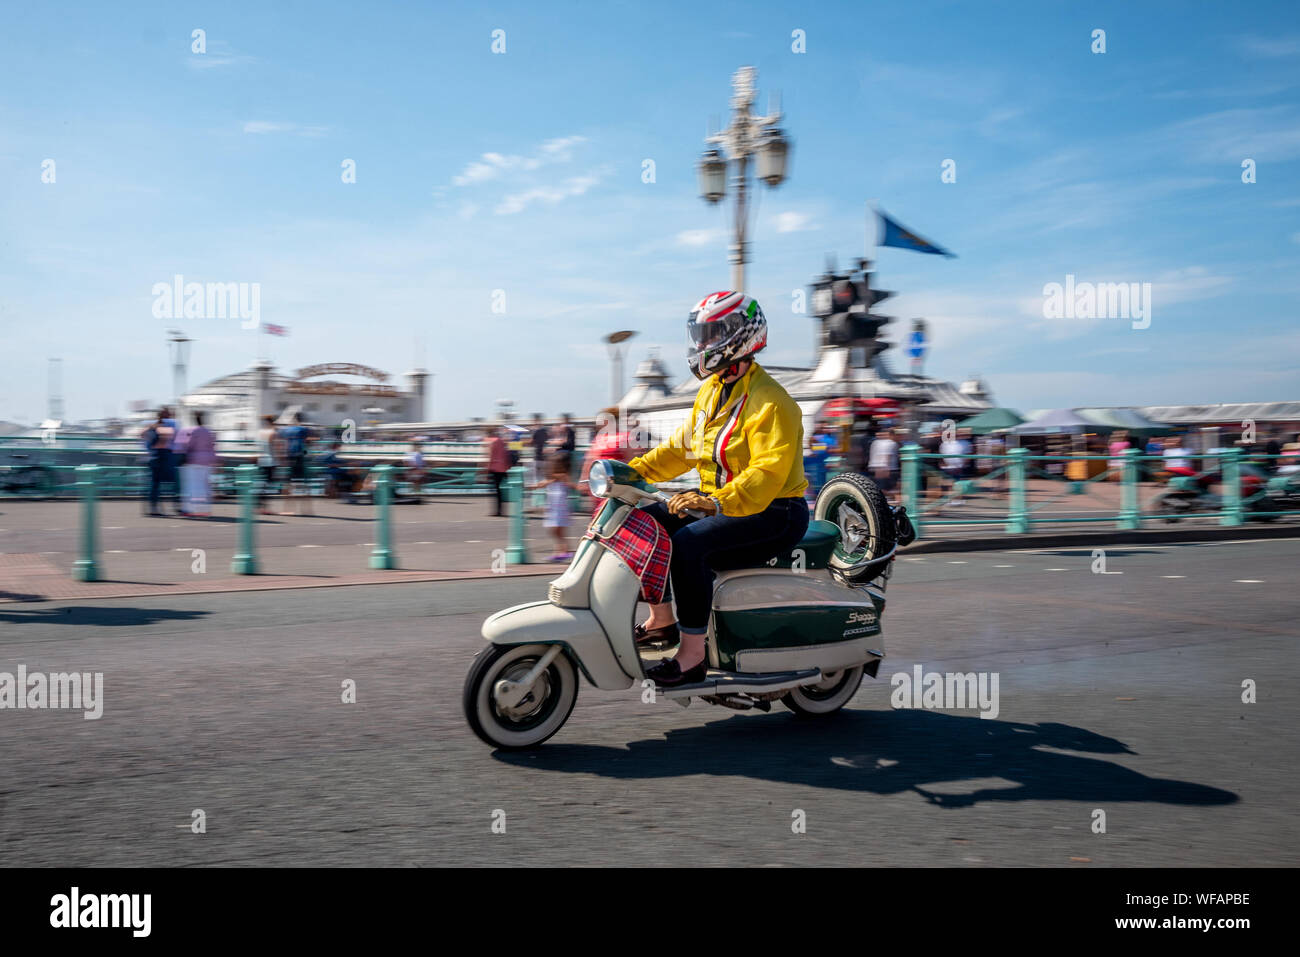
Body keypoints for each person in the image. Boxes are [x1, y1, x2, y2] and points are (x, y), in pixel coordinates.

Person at [626, 291, 809, 687]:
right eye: (701, 335)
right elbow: (682, 448)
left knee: (691, 544)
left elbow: (766, 475)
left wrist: (712, 501)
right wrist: (631, 473)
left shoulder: (773, 403)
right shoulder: (712, 390)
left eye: (712, 334)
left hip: (773, 512)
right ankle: (662, 620)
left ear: (741, 335)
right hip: (721, 503)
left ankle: (692, 658)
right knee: (644, 521)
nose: (702, 345)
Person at [533, 454, 579, 562]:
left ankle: (563, 551)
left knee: (557, 531)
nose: (553, 467)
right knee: (555, 531)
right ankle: (562, 551)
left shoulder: (562, 477)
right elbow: (544, 484)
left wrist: (578, 487)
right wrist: (535, 485)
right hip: (553, 508)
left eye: (555, 465)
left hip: (561, 508)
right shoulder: (553, 479)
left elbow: (570, 484)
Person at [177, 411, 218, 517]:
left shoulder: (194, 431)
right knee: (205, 485)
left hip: (194, 461)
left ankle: (192, 509)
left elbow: (190, 445)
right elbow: (212, 446)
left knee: (193, 486)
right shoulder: (209, 432)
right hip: (207, 461)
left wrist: (185, 453)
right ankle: (206, 509)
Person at [142, 410, 179, 516]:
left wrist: (150, 446)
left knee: (155, 484)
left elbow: (142, 435)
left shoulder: (151, 427)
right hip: (163, 457)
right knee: (171, 482)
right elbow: (166, 443)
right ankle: (174, 506)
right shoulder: (165, 429)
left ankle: (153, 508)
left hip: (152, 456)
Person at [279, 412, 314, 516]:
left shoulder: (288, 429)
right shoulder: (303, 429)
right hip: (301, 458)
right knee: (304, 484)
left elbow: (281, 435)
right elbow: (310, 438)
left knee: (288, 484)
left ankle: (287, 509)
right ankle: (307, 510)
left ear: (293, 419)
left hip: (291, 458)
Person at [481, 426, 511, 516]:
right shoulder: (500, 440)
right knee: (500, 490)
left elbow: (489, 457)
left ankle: (498, 511)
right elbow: (506, 454)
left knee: (496, 490)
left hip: (494, 469)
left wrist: (486, 471)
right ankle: (500, 510)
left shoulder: (490, 441)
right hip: (503, 469)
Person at [256, 415, 281, 515]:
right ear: (273, 422)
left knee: (263, 484)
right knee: (267, 484)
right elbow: (276, 448)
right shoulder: (273, 433)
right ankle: (263, 508)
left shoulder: (260, 432)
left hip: (262, 460)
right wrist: (280, 460)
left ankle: (260, 506)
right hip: (270, 461)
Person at [867, 427, 900, 494]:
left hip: (875, 469)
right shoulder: (891, 443)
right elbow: (887, 456)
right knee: (891, 489)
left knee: (880, 489)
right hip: (888, 470)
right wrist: (886, 469)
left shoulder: (875, 442)